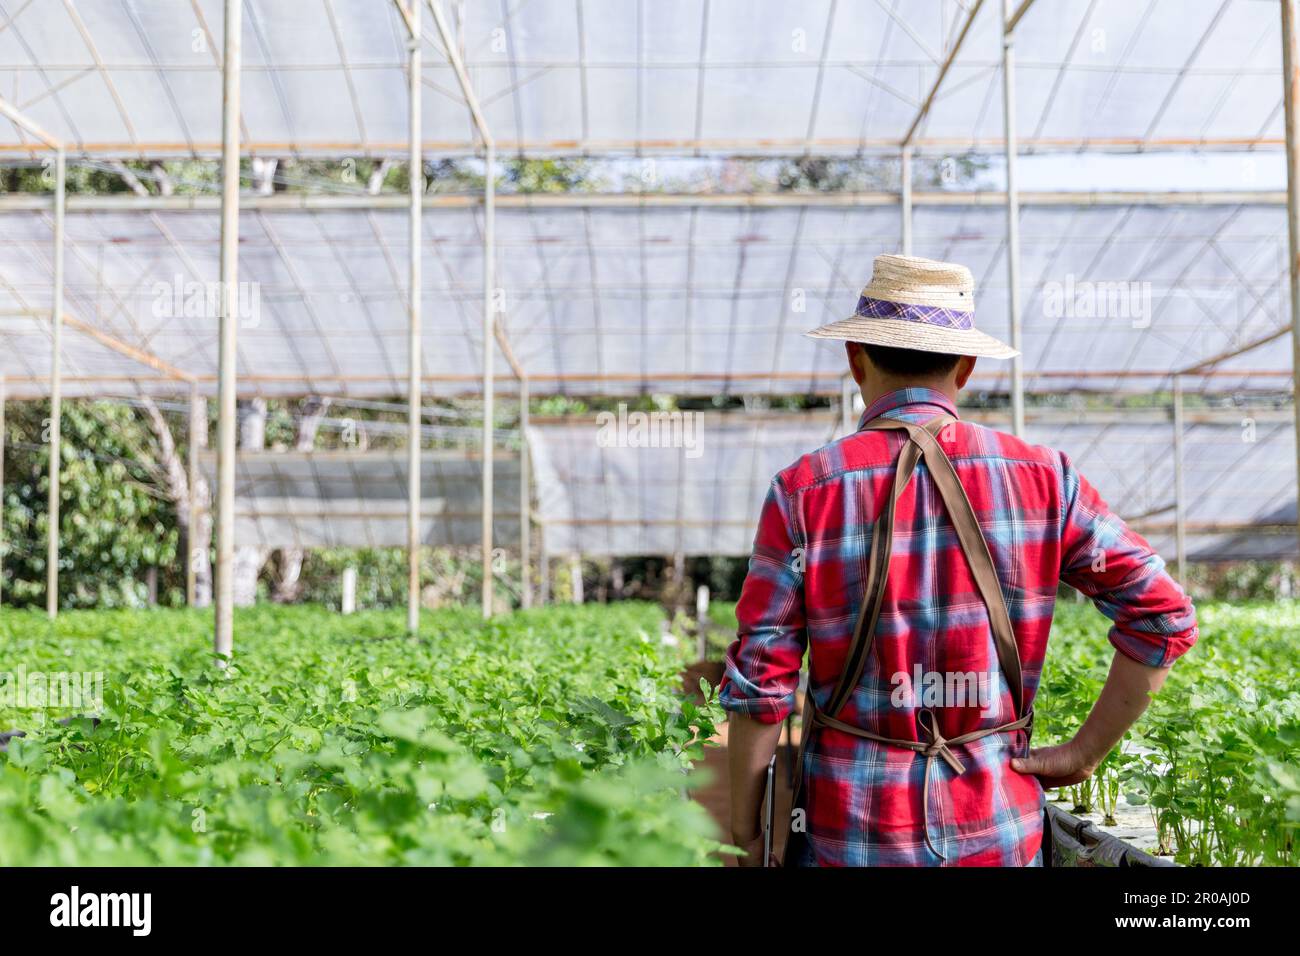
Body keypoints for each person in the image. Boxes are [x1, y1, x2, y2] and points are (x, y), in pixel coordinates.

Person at [720, 254, 1197, 867]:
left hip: (852, 834)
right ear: (967, 366)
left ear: (854, 358)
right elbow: (1163, 616)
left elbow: (762, 685)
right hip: (998, 831)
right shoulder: (1045, 478)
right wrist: (1083, 754)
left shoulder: (804, 489)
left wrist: (746, 834)